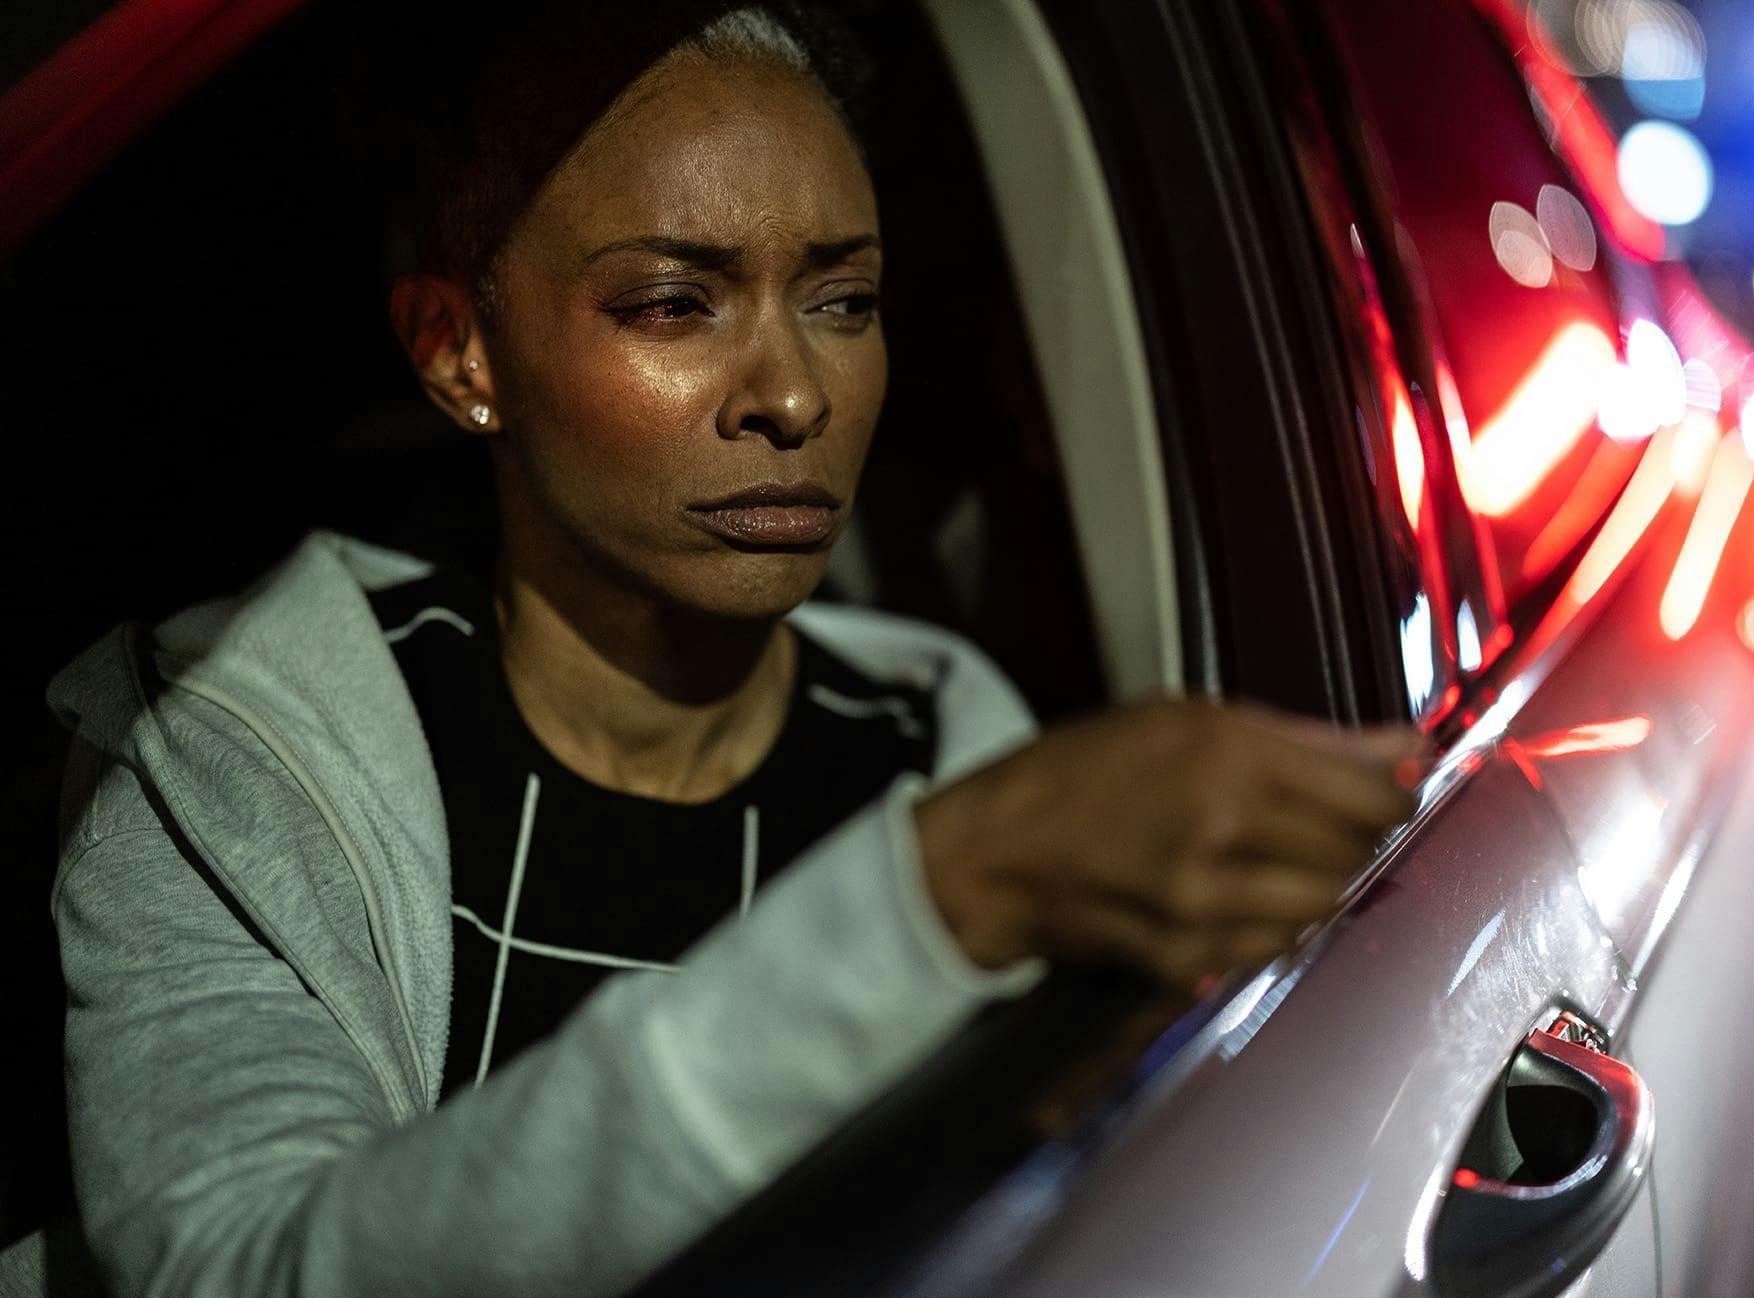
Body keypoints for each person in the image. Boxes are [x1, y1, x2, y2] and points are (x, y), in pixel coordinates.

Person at [34, 3, 1427, 1294]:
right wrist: (942, 892)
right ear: (463, 354)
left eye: (844, 301)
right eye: (673, 304)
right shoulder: (234, 756)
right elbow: (242, 1267)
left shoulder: (935, 741)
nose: (791, 392)